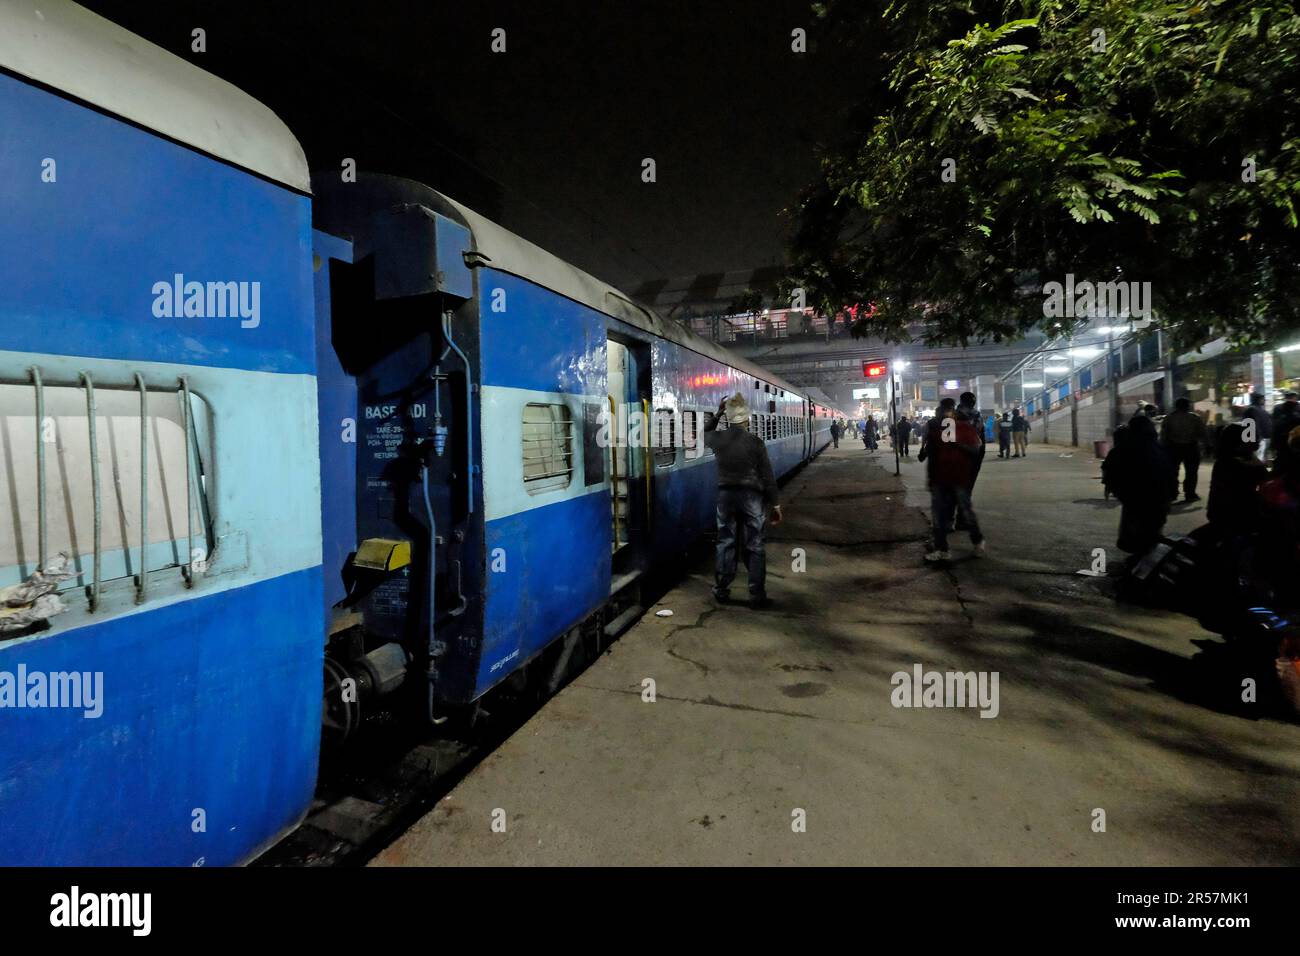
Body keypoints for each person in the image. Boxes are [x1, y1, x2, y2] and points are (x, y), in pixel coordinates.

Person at [704, 393, 782, 607]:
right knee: (755, 544)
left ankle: (721, 590)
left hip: (726, 496)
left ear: (728, 418)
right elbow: (767, 475)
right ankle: (756, 595)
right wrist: (775, 504)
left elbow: (703, 434)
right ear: (747, 419)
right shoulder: (755, 442)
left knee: (725, 541)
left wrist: (718, 413)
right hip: (751, 497)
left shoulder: (718, 439)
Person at [918, 398, 985, 561]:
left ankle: (977, 542)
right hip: (941, 478)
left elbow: (976, 450)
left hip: (957, 477)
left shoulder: (963, 427)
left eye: (945, 411)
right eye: (940, 412)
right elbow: (928, 453)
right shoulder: (935, 429)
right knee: (940, 516)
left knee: (963, 512)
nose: (942, 414)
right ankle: (943, 549)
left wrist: (956, 444)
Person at [1101, 416, 1176, 558]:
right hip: (1159, 497)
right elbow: (1171, 473)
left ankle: (1140, 559)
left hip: (1135, 498)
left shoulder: (1125, 447)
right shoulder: (1160, 448)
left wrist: (1112, 487)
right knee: (1152, 529)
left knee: (1136, 529)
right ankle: (1146, 556)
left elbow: (1109, 467)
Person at [1160, 396, 1207, 502]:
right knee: (1191, 472)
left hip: (1173, 447)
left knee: (1172, 471)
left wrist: (1163, 448)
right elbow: (1202, 433)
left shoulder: (1169, 418)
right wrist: (1204, 445)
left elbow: (1164, 435)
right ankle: (1190, 493)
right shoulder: (1195, 417)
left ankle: (1172, 493)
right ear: (1187, 406)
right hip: (1191, 447)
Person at [1272, 392, 1300, 474]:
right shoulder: (1297, 409)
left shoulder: (1277, 408)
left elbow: (1275, 426)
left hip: (1286, 443)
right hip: (1289, 443)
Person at [1242, 393, 1274, 463]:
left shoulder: (1256, 409)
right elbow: (1254, 424)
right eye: (1262, 399)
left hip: (1260, 439)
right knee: (1258, 459)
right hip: (1257, 439)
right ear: (1258, 400)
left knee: (1260, 458)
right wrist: (1258, 438)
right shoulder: (1253, 410)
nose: (1264, 401)